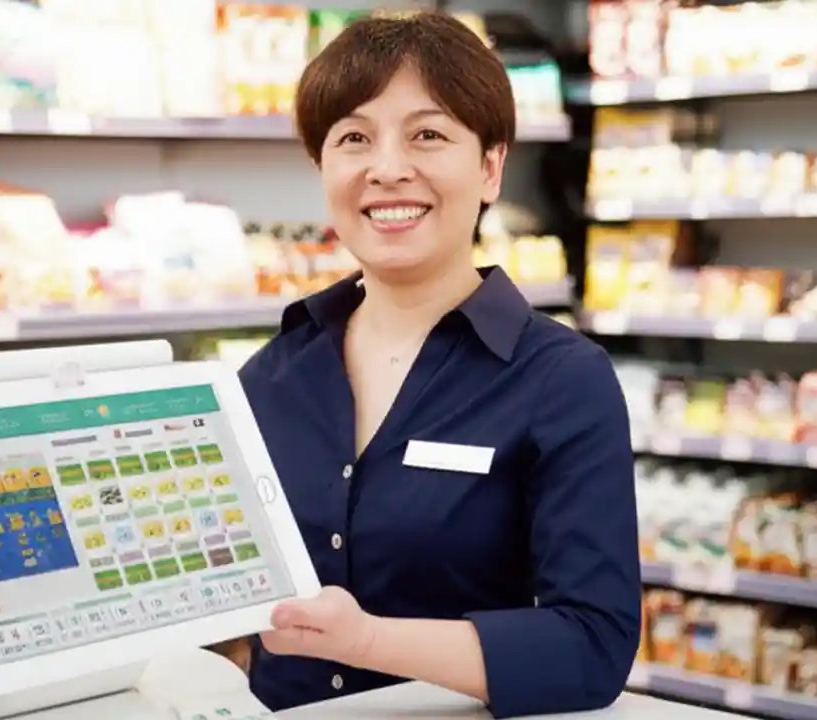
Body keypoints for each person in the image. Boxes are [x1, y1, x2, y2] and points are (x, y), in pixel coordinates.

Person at [237, 12, 640, 719]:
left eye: (427, 134)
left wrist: (368, 641)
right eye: (353, 138)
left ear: (490, 167)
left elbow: (593, 645)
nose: (387, 168)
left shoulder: (562, 379)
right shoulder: (270, 374)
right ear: (322, 168)